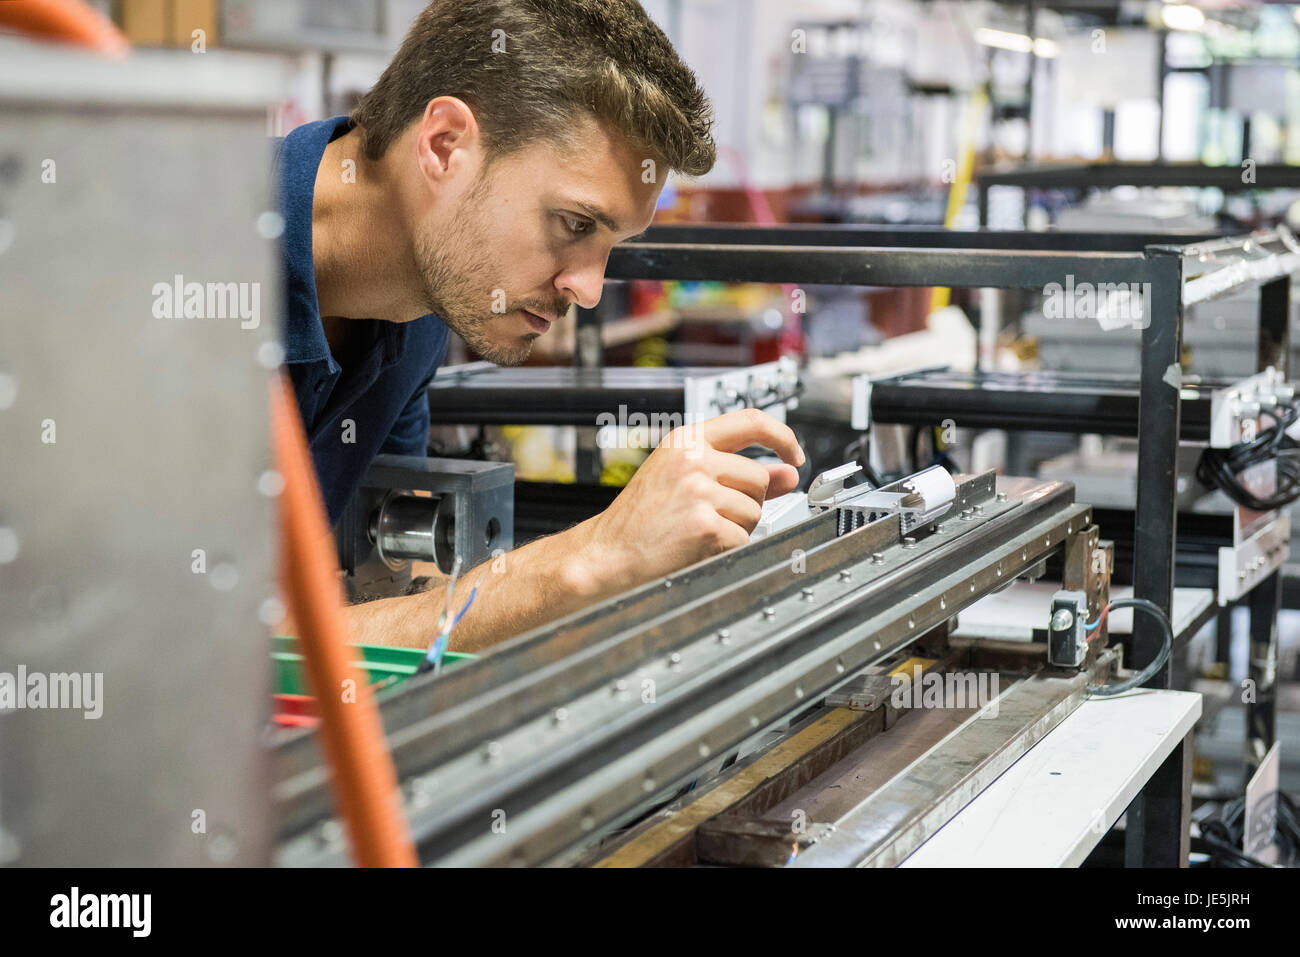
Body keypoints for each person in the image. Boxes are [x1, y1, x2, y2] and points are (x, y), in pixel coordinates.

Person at [275, 0, 804, 651]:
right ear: (445, 145)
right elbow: (189, 659)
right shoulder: (178, 272)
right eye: (575, 224)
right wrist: (586, 562)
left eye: (611, 245)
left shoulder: (415, 317)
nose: (585, 289)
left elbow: (384, 599)